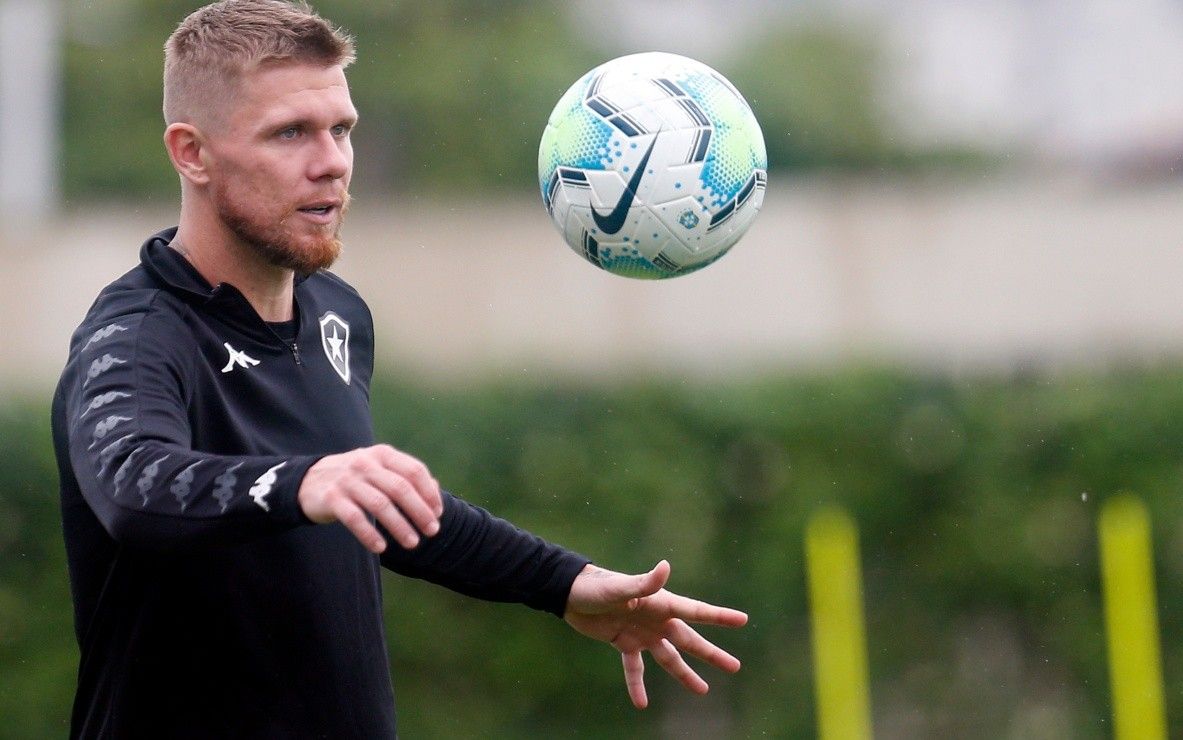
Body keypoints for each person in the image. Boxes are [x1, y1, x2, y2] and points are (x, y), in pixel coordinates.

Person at [49, 1, 748, 736]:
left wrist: (563, 582)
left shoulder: (336, 315)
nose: (332, 163)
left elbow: (384, 504)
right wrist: (305, 479)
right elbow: (132, 485)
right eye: (290, 133)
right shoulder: (136, 335)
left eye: (341, 129)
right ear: (192, 152)